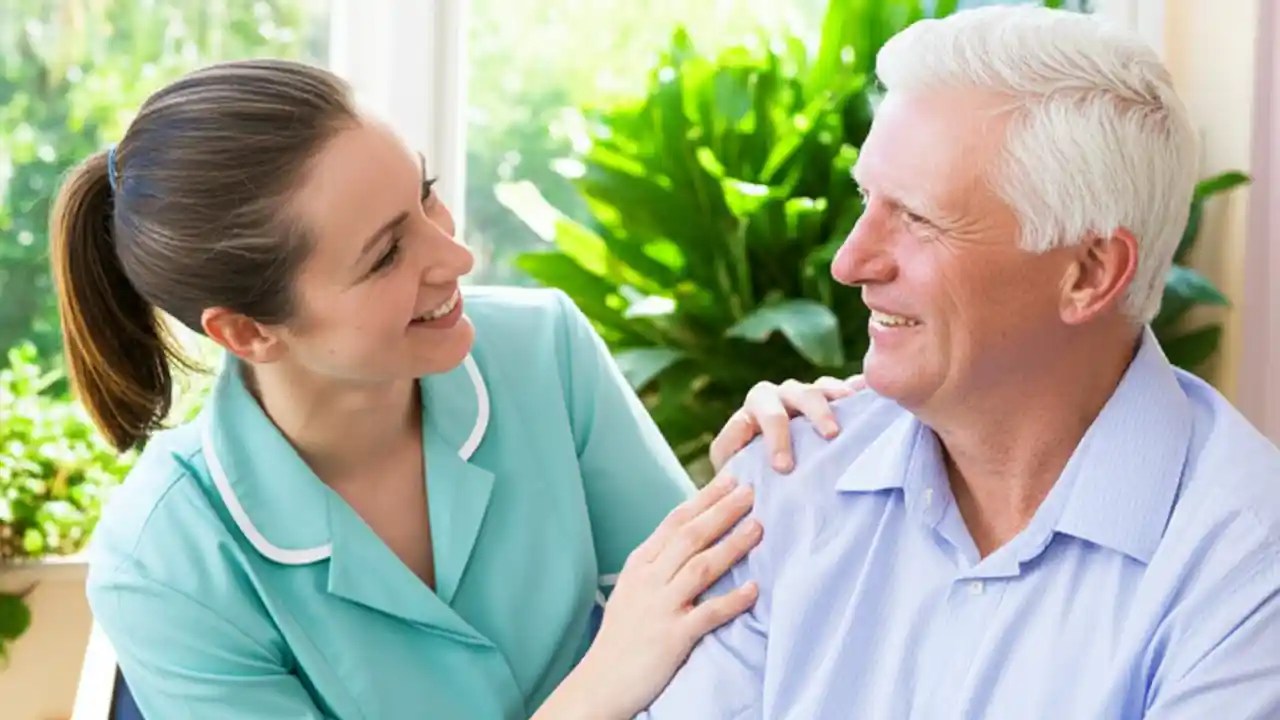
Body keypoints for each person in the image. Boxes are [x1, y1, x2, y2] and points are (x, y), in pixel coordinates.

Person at [50, 58, 855, 719]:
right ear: (247, 332)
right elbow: (639, 654)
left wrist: (774, 475)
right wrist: (600, 686)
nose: (456, 258)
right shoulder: (165, 562)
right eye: (386, 255)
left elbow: (709, 621)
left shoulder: (542, 350)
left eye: (425, 193)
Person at [643, 6, 1280, 719]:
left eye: (916, 217)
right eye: (865, 198)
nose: (852, 261)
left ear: (1090, 274)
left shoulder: (1250, 564)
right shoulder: (788, 484)